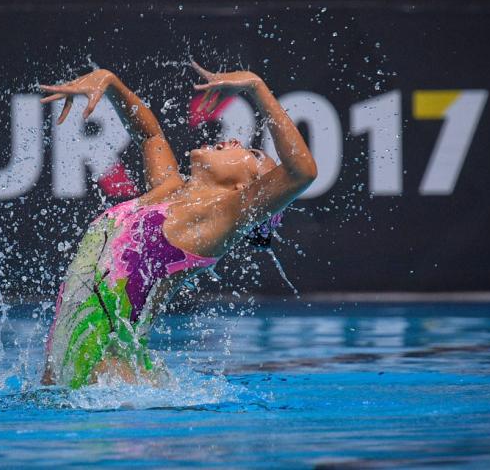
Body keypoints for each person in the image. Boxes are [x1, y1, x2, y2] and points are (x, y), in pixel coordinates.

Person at [38, 62, 317, 388]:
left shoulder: (217, 220)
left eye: (253, 154)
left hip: (114, 389)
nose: (235, 142)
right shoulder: (166, 193)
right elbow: (149, 134)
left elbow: (302, 172)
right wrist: (111, 83)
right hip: (77, 383)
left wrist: (257, 87)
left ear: (247, 190)